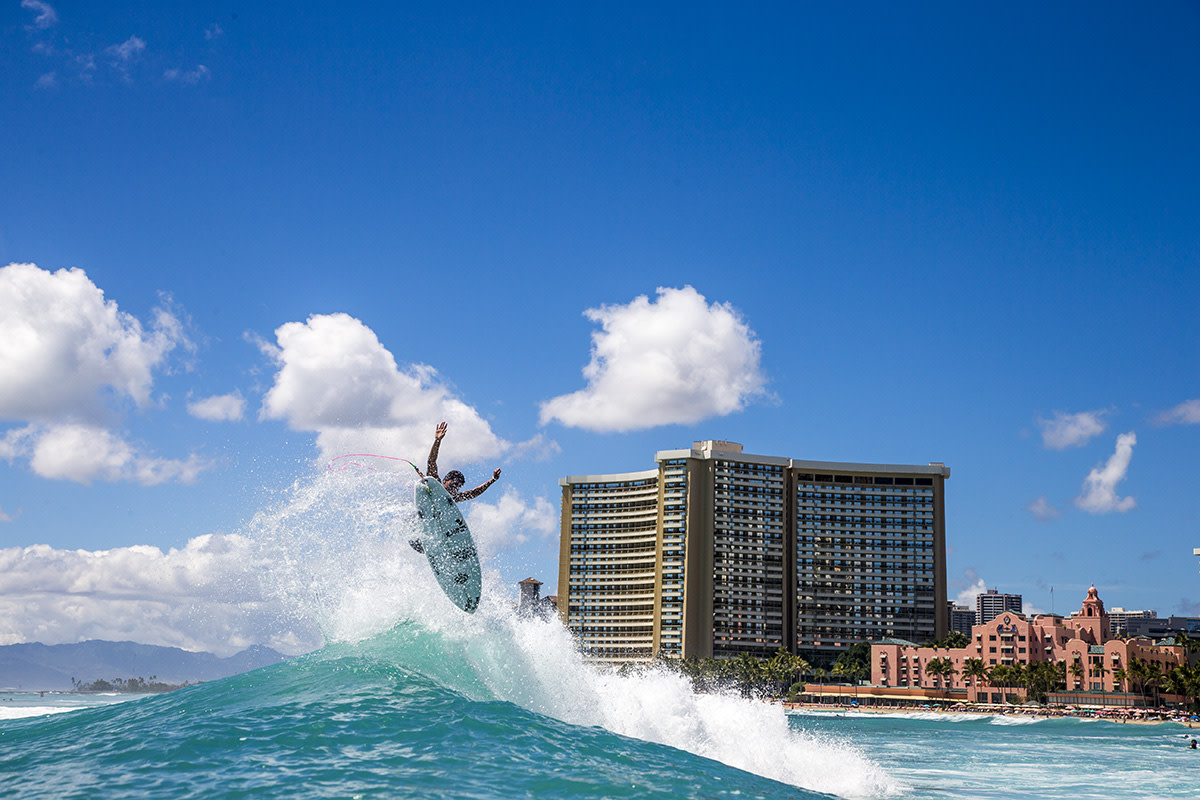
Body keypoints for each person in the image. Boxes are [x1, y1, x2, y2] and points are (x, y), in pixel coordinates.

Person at [423, 421, 501, 502]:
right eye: (455, 484)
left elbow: (474, 493)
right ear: (445, 480)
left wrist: (493, 480)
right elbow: (431, 462)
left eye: (458, 487)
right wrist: (437, 440)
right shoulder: (434, 483)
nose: (455, 488)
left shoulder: (453, 498)